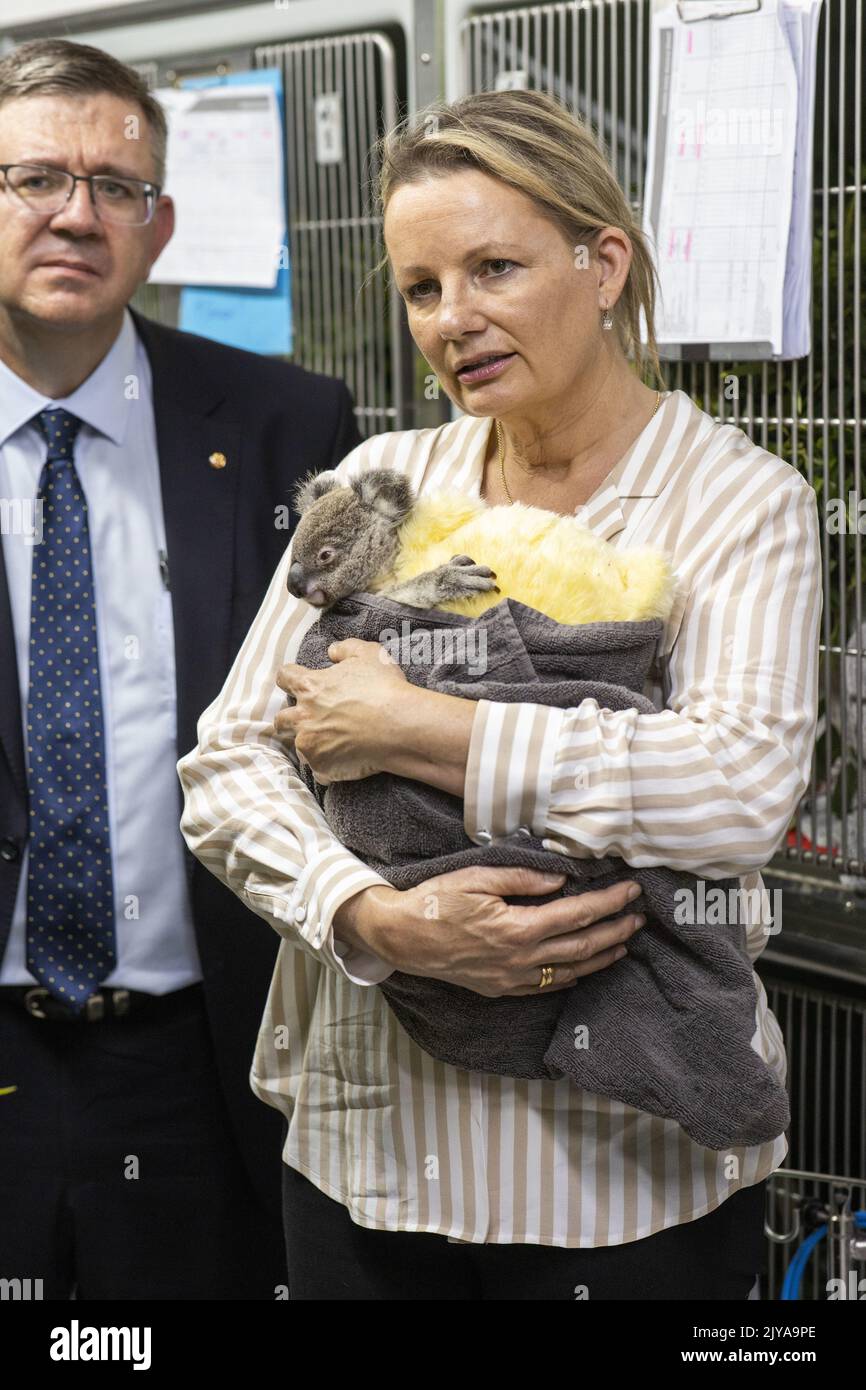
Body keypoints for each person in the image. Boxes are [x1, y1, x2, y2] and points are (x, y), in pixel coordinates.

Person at [177, 89, 823, 1300]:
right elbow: (225, 762)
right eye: (421, 287)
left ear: (602, 263)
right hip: (369, 1164)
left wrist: (427, 727)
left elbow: (731, 791)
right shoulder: (382, 481)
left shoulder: (740, 504)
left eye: (493, 268)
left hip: (627, 1186)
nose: (451, 320)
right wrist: (372, 916)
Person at [0, 38, 362, 1299]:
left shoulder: (286, 429)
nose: (76, 214)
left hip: (207, 1056)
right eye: (35, 177)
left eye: (117, 186)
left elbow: (342, 719)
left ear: (160, 228)